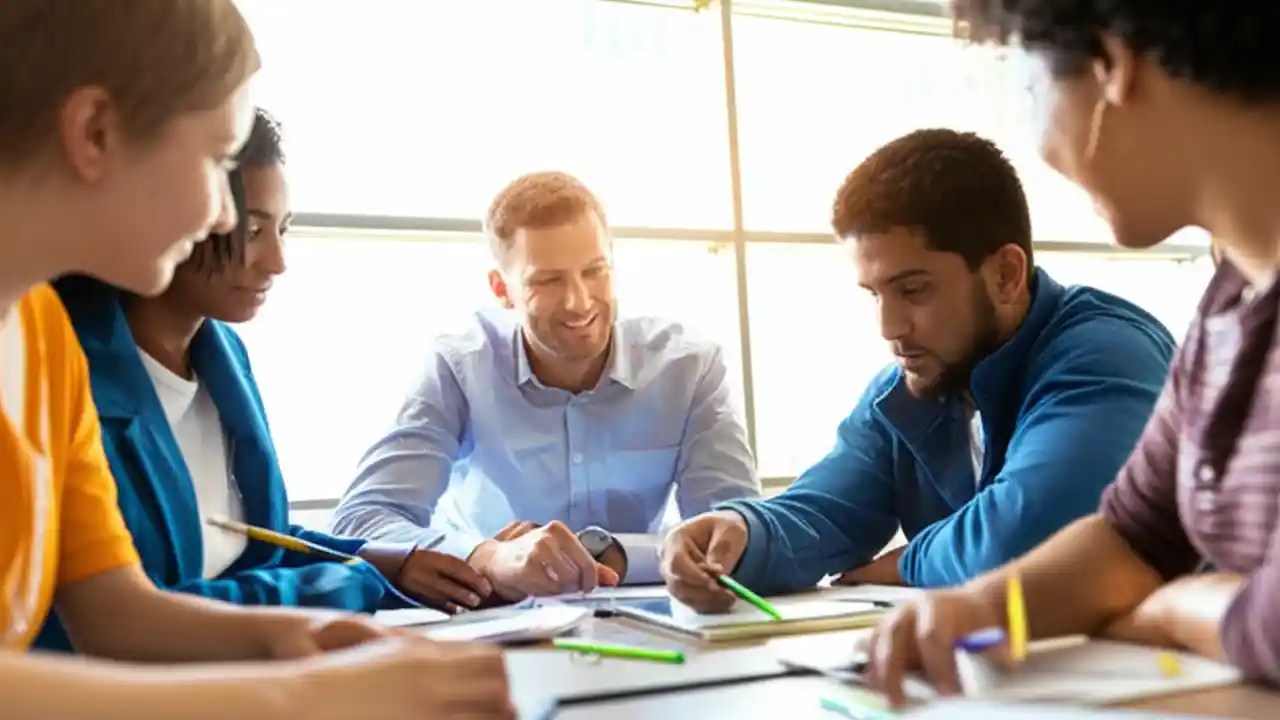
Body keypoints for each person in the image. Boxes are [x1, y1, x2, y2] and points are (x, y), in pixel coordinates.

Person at [0, 2, 511, 718]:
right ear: (95, 132)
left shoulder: (44, 338)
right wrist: (299, 693)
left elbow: (118, 610)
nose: (218, 214)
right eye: (215, 159)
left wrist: (311, 632)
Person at [863, 1, 1280, 705]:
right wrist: (981, 611)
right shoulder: (1229, 306)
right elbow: (1134, 537)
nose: (1037, 138)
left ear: (1112, 65)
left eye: (1029, 86)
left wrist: (1174, 611)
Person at [661, 128, 1177, 610]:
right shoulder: (909, 386)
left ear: (1006, 274)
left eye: (913, 291)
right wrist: (736, 533)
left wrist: (907, 563)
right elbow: (824, 511)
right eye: (875, 295)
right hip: (1001, 677)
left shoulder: (1108, 352)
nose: (889, 327)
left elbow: (1026, 535)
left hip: (1165, 680)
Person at [35, 108, 477, 648]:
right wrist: (347, 583)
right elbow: (144, 611)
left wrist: (386, 561)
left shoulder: (224, 360)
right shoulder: (65, 368)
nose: (277, 261)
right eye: (251, 230)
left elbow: (241, 537)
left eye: (283, 229)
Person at [332, 170, 760, 604]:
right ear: (503, 289)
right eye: (548, 281)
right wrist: (490, 557)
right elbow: (361, 522)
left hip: (646, 616)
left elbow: (740, 530)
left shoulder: (688, 367)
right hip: (494, 622)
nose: (579, 301)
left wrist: (615, 554)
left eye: (594, 271)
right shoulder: (458, 368)